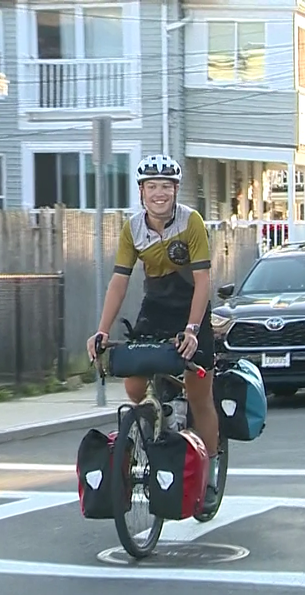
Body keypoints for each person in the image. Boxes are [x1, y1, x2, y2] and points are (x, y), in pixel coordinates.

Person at [87, 154, 222, 512]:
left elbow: (202, 280)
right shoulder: (133, 228)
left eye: (166, 186)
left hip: (190, 308)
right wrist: (101, 331)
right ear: (141, 191)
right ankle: (156, 424)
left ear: (176, 190)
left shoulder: (190, 222)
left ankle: (208, 476)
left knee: (199, 395)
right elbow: (119, 281)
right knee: (133, 386)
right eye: (152, 187)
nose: (159, 193)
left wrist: (193, 329)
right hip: (156, 307)